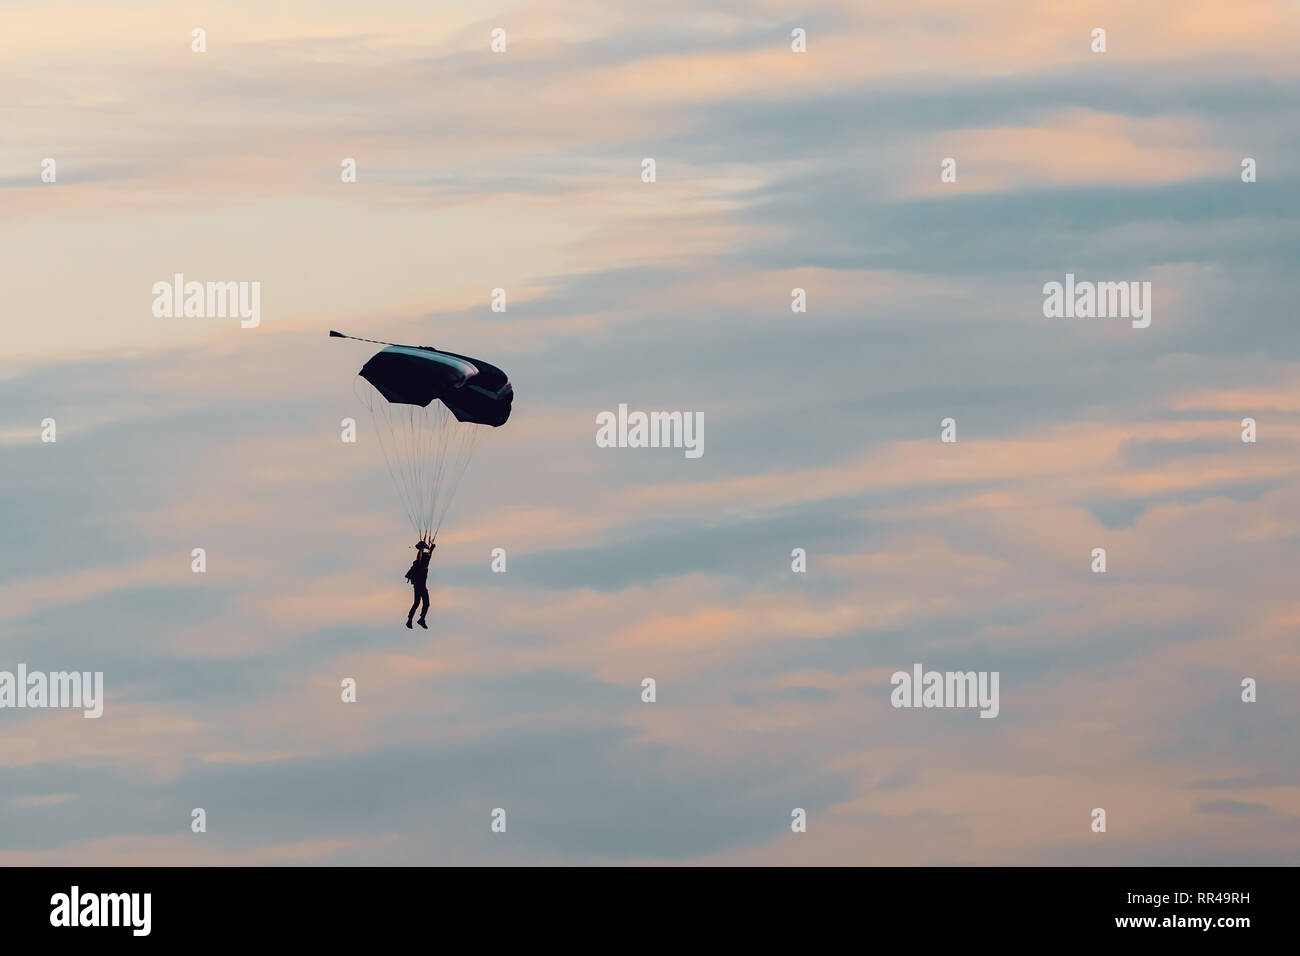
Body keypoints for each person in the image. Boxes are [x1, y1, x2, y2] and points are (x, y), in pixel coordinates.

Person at [404, 540, 435, 628]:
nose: (429, 558)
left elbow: (429, 556)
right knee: (420, 603)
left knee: (420, 603)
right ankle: (413, 620)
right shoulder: (419, 564)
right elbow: (419, 558)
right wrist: (421, 549)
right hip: (419, 586)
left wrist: (431, 550)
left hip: (420, 586)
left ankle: (415, 620)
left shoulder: (425, 566)